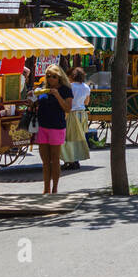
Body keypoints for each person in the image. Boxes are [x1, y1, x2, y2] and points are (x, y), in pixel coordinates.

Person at [36, 66, 73, 194]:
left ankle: (55, 188)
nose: (50, 79)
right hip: (43, 126)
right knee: (45, 161)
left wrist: (57, 95)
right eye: (48, 76)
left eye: (53, 76)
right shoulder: (43, 90)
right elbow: (38, 105)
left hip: (57, 127)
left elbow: (67, 108)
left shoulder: (65, 90)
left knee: (55, 159)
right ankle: (46, 188)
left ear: (60, 77)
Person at [60, 67, 91, 170]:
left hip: (71, 114)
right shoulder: (86, 87)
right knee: (78, 138)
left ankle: (70, 160)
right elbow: (87, 102)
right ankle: (75, 160)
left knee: (69, 138)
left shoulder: (70, 86)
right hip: (82, 114)